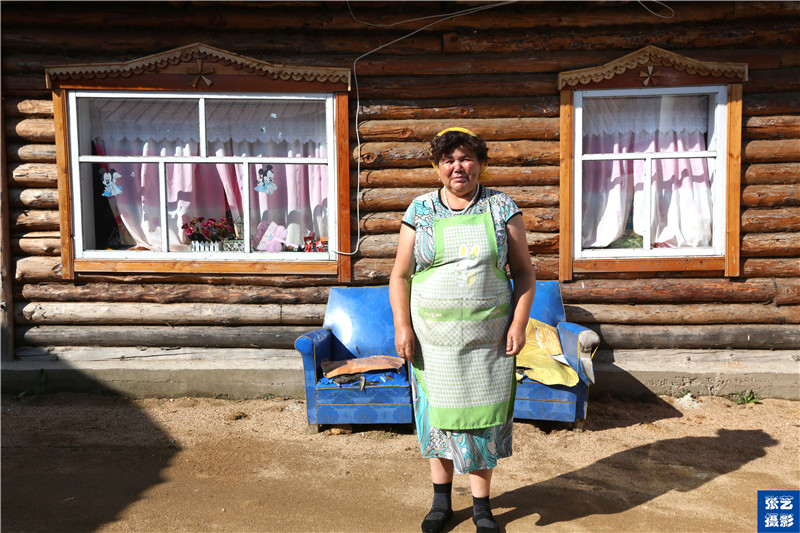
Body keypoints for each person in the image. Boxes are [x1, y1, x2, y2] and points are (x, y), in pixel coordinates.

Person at [389, 127, 535, 533]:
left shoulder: (502, 207)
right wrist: (403, 326)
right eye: (449, 160)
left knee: (482, 422)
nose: (458, 167)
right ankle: (441, 503)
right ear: (437, 167)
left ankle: (482, 507)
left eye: (467, 158)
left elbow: (524, 273)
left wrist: (519, 324)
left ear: (480, 164)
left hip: (489, 342)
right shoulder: (420, 211)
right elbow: (400, 276)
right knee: (439, 420)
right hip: (432, 343)